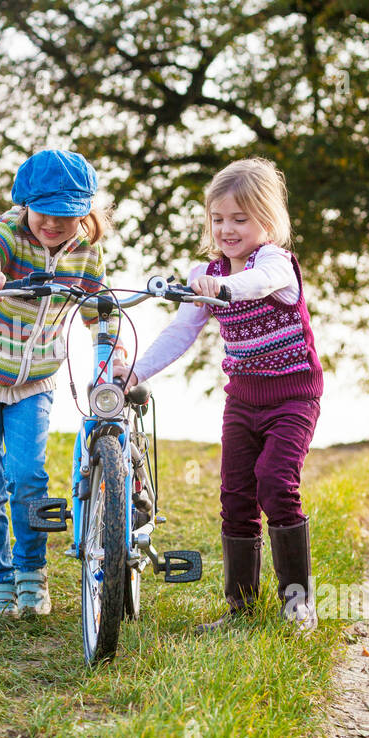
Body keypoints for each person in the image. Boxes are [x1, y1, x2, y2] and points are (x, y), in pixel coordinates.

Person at [115, 158, 324, 631]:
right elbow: (180, 332)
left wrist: (220, 286)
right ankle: (240, 608)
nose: (227, 229)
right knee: (235, 495)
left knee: (275, 480)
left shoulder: (274, 263)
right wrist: (134, 373)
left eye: (240, 218)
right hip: (243, 400)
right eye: (218, 219)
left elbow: (257, 283)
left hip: (293, 397)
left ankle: (298, 603)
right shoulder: (206, 273)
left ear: (267, 222)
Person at [0, 149, 124, 618]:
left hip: (34, 383)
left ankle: (32, 572)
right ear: (26, 203)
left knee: (28, 476)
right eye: (45, 211)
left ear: (85, 212)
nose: (54, 223)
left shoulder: (85, 251)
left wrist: (111, 352)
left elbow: (99, 311)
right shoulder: (8, 232)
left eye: (67, 215)